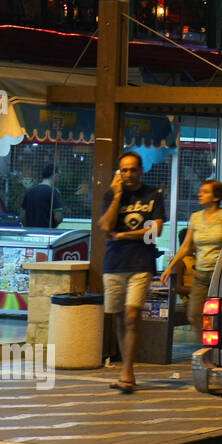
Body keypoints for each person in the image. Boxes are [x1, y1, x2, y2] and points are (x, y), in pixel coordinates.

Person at [99, 152, 165, 393]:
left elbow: (154, 231)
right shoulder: (110, 194)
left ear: (141, 170)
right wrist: (117, 196)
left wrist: (124, 235)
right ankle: (125, 371)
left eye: (132, 169)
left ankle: (128, 372)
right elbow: (105, 226)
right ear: (119, 173)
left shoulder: (153, 195)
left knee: (132, 315)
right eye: (124, 170)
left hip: (141, 263)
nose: (128, 174)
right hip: (114, 264)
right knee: (118, 317)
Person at [162, 180, 222, 337]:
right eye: (201, 191)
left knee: (221, 316)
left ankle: (220, 347)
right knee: (193, 314)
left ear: (216, 197)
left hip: (220, 274)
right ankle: (208, 346)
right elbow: (187, 246)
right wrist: (170, 267)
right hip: (201, 275)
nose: (200, 194)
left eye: (205, 191)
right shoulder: (195, 217)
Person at [22, 163, 64, 228]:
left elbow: (22, 215)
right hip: (47, 233)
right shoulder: (54, 192)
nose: (59, 179)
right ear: (55, 175)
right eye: (59, 176)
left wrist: (27, 227)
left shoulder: (30, 191)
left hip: (30, 232)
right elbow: (58, 217)